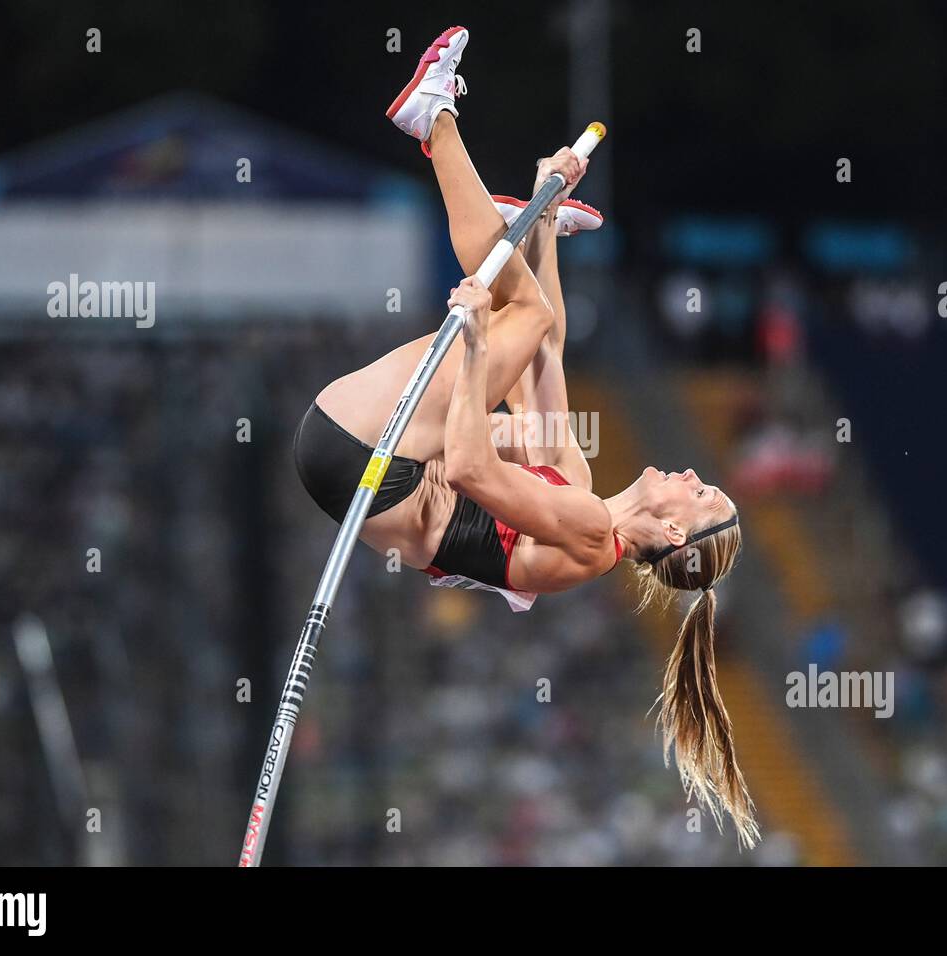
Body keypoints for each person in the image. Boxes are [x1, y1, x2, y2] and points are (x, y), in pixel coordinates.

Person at [294, 26, 757, 846]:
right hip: (360, 453)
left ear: (677, 528)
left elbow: (470, 462)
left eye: (701, 490)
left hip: (366, 462)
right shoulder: (576, 489)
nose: (690, 473)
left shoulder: (587, 539)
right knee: (534, 339)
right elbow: (548, 351)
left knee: (515, 323)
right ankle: (500, 189)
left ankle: (433, 121)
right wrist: (543, 217)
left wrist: (473, 343)